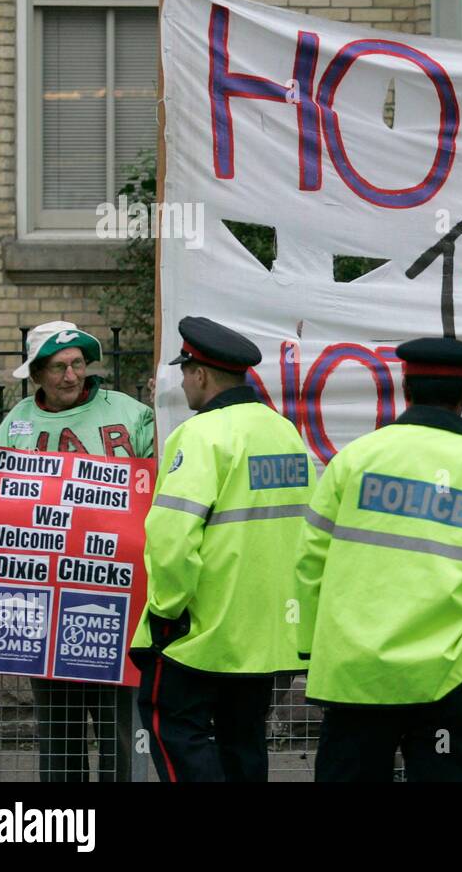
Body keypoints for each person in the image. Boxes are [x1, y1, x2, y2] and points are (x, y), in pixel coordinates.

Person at [297, 337, 462, 782]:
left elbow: (309, 563)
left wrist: (308, 647)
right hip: (448, 681)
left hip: (354, 676)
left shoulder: (353, 461)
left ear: (404, 387)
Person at [0, 321, 154, 782]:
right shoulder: (18, 421)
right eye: (58, 367)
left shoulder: (130, 412)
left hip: (118, 598)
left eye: (78, 363)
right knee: (60, 732)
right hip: (41, 602)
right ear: (37, 373)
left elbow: (160, 489)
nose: (71, 375)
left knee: (120, 728)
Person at [131, 317, 312, 782]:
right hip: (265, 633)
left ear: (201, 374)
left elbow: (172, 537)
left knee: (171, 723)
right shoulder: (284, 433)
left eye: (185, 371)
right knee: (242, 740)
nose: (184, 381)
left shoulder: (201, 435)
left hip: (201, 632)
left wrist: (166, 614)